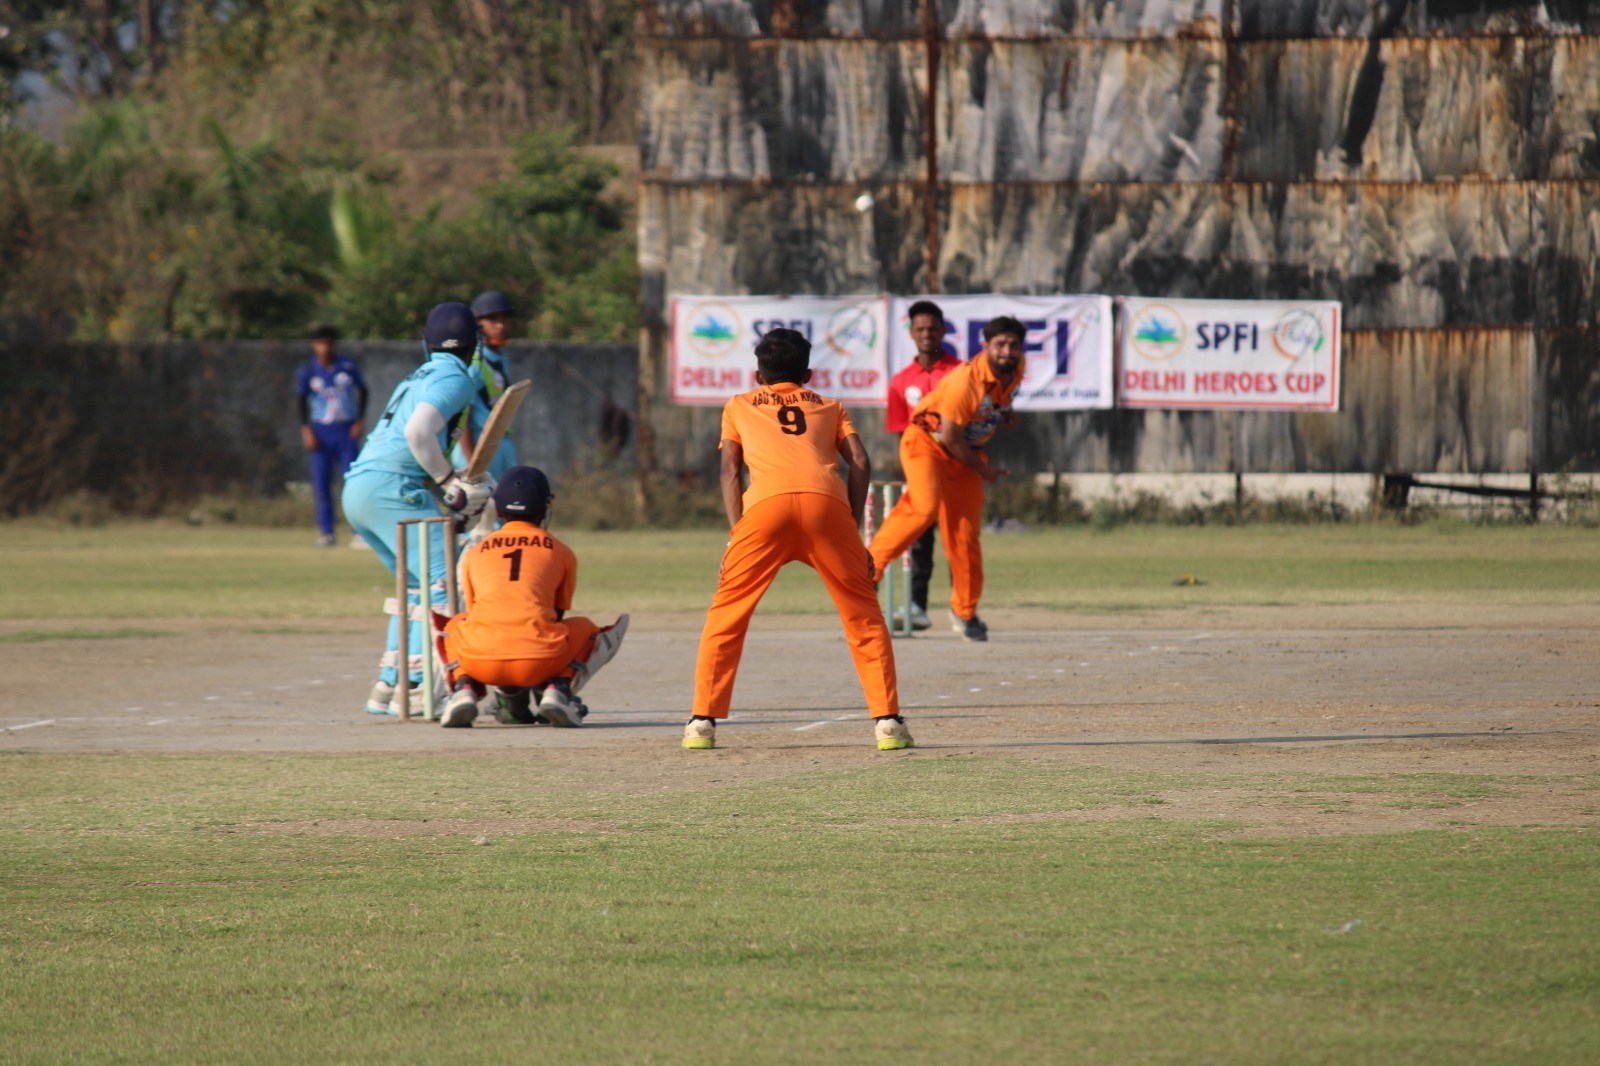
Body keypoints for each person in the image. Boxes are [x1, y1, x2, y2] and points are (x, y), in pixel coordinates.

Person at [683, 327, 912, 752]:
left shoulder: (738, 405)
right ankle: (888, 722)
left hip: (764, 511)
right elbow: (860, 461)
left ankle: (702, 721)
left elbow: (730, 471)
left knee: (727, 613)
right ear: (808, 373)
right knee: (863, 613)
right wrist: (850, 522)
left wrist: (737, 536)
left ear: (758, 376)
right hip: (826, 506)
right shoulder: (830, 406)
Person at [341, 302, 496, 717]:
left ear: (425, 344)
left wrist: (449, 477)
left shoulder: (418, 375)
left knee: (416, 586)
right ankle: (420, 685)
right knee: (446, 578)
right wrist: (449, 483)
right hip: (394, 489)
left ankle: (388, 686)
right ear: (473, 345)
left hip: (360, 488)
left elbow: (408, 437)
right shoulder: (456, 377)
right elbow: (417, 432)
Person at [868, 315, 1025, 643]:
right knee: (924, 509)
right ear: (986, 347)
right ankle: (868, 570)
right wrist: (985, 471)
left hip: (964, 453)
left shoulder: (1016, 369)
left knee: (965, 534)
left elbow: (995, 402)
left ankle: (964, 611)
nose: (1007, 351)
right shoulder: (964, 381)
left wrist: (1004, 413)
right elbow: (951, 437)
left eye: (1013, 345)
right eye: (1000, 345)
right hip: (927, 443)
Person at [437, 466, 628, 729]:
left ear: (499, 510)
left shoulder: (476, 552)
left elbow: (475, 613)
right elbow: (556, 613)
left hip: (479, 661)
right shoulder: (561, 551)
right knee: (585, 627)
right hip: (539, 660)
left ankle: (463, 688)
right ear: (544, 509)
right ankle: (558, 690)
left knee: (453, 624)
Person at [884, 300, 962, 631]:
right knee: (919, 539)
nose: (927, 334)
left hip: (958, 470)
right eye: (920, 329)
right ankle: (917, 605)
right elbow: (902, 433)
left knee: (959, 540)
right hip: (922, 471)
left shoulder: (960, 372)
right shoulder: (901, 382)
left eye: (932, 328)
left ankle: (963, 607)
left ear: (943, 330)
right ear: (912, 333)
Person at [295, 326, 367, 547]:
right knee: (322, 483)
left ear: (334, 344)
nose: (325, 347)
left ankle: (358, 531)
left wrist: (359, 420)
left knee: (352, 481)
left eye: (328, 343)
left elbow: (364, 391)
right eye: (320, 343)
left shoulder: (346, 366)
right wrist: (306, 430)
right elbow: (300, 401)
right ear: (314, 345)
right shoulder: (308, 370)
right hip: (321, 430)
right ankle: (327, 532)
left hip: (345, 429)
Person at [450, 290, 520, 481]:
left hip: (499, 445)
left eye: (505, 319)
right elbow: (463, 418)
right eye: (493, 320)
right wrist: (474, 466)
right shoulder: (475, 362)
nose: (501, 325)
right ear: (477, 324)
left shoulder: (499, 358)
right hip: (477, 449)